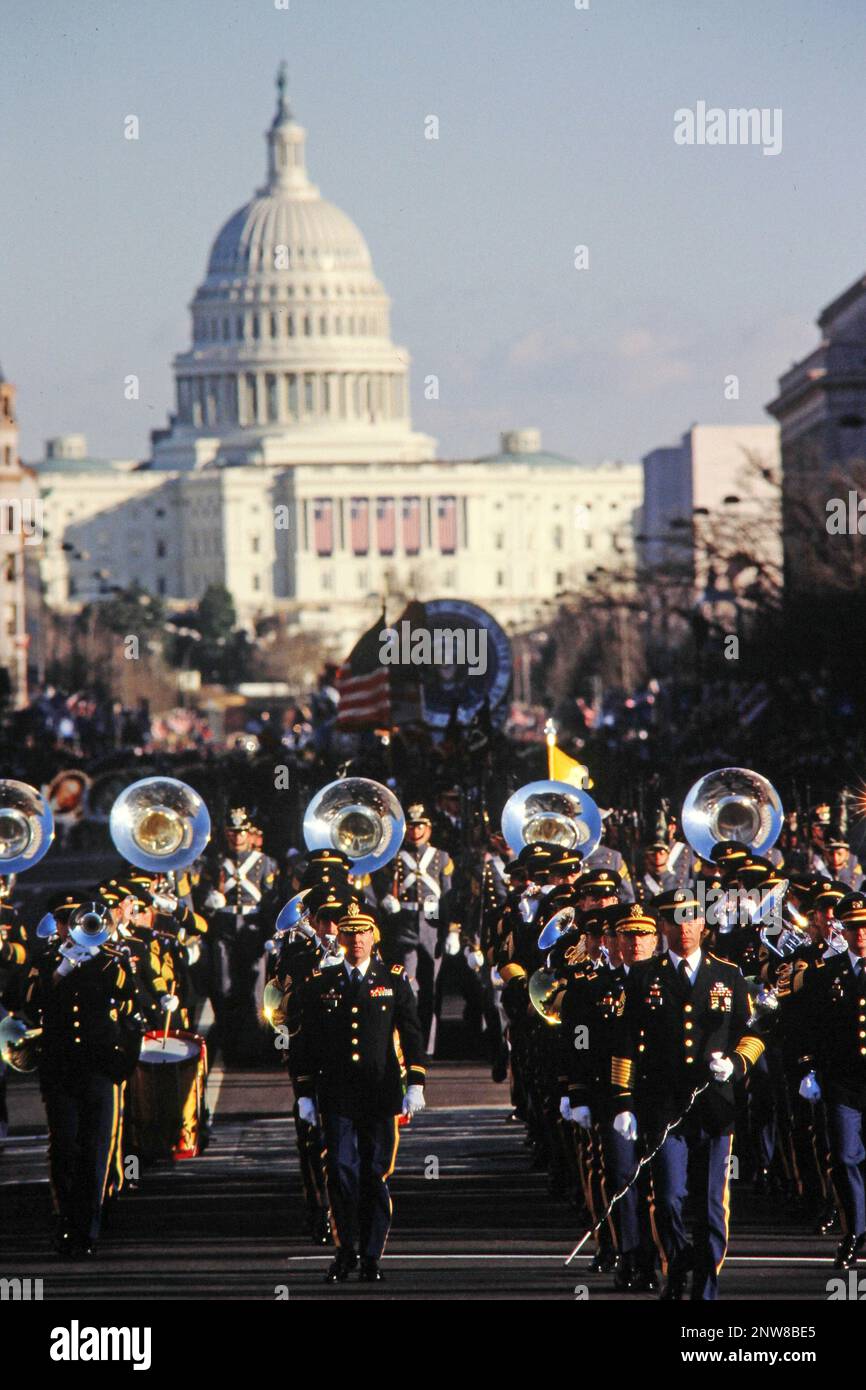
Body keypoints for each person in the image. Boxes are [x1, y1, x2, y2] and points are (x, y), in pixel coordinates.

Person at [611, 886, 766, 1300]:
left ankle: (707, 1279)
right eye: (675, 921)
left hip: (715, 1106)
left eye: (692, 919)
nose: (685, 929)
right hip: (663, 1106)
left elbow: (750, 1033)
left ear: (703, 924)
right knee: (668, 1197)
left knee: (712, 1203)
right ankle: (677, 1264)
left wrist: (735, 1063)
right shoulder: (645, 975)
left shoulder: (727, 975)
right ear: (663, 926)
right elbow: (625, 1040)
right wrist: (623, 1102)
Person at [294, 903, 426, 1283]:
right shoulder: (322, 982)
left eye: (363, 932)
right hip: (337, 1093)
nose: (356, 940)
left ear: (374, 937)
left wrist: (415, 1082)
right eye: (349, 933)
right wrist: (304, 1091)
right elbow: (307, 1042)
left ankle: (371, 1254)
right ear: (341, 938)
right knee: (339, 1170)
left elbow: (412, 1032)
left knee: (374, 1173)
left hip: (380, 1091)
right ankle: (344, 1247)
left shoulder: (394, 979)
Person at [24, 902, 141, 1257]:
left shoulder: (111, 960)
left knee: (95, 1151)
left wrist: (123, 1063)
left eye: (76, 920)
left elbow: (129, 1008)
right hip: (60, 1067)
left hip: (99, 1067)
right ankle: (64, 1220)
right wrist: (61, 968)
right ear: (57, 926)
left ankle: (87, 1227)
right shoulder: (45, 962)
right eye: (63, 921)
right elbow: (29, 1005)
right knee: (63, 1147)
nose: (70, 927)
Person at [798, 890, 866, 1268]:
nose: (860, 935)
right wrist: (809, 1069)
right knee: (843, 1156)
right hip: (842, 1080)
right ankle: (854, 1230)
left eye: (865, 928)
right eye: (854, 928)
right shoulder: (828, 975)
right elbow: (811, 1026)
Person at [376, 802, 455, 1054]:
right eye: (411, 826)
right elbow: (384, 888)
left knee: (431, 988)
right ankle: (409, 1043)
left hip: (433, 927)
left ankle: (428, 1048)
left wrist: (452, 929)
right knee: (407, 985)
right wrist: (386, 901)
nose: (416, 831)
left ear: (429, 829)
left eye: (420, 826)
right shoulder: (395, 858)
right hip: (405, 925)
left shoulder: (442, 858)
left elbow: (450, 896)